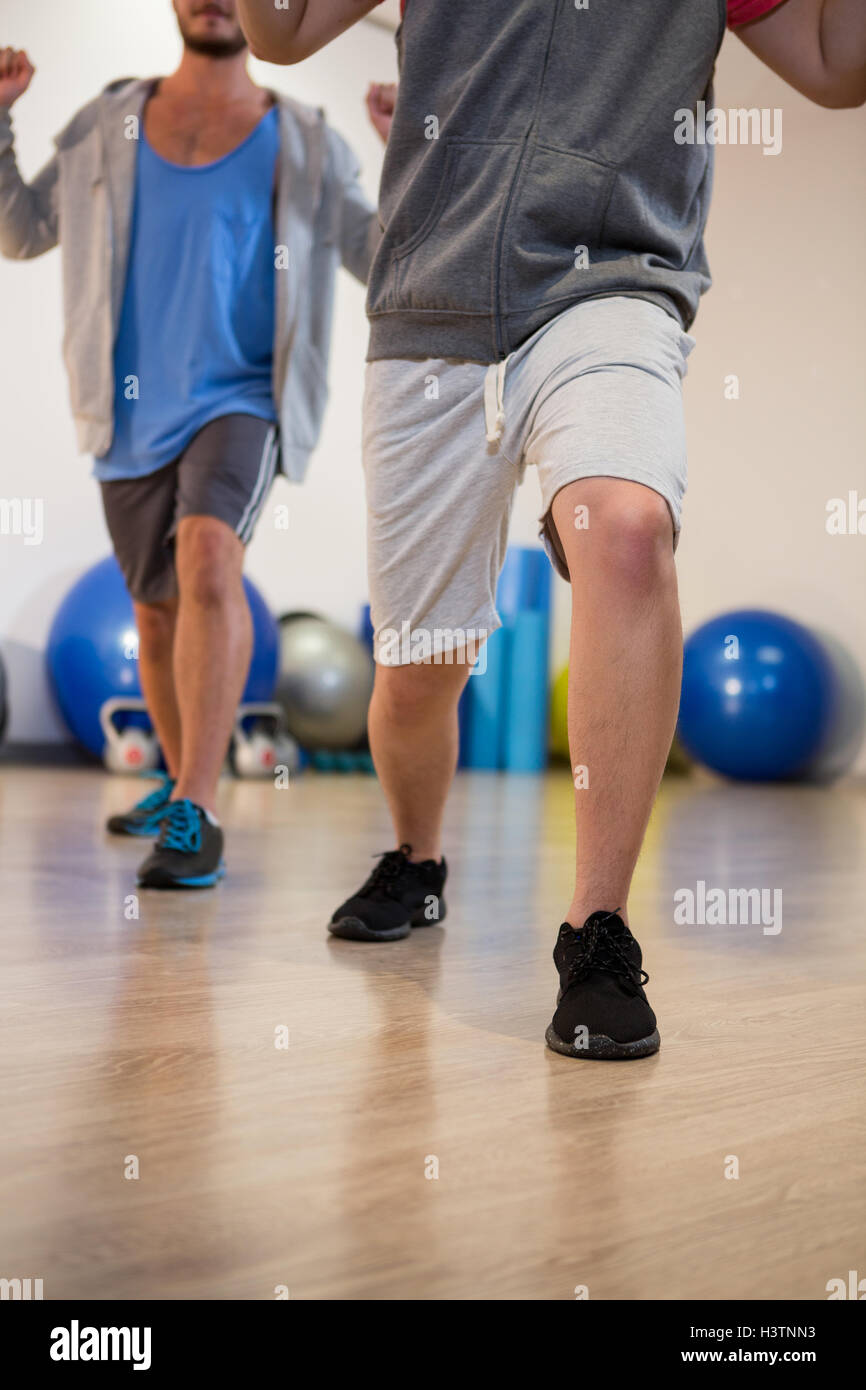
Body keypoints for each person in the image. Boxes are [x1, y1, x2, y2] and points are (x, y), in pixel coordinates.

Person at [237, 0, 864, 1059]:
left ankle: (598, 932)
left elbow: (834, 65)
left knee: (625, 530)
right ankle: (415, 859)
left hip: (612, 283)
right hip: (430, 308)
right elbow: (280, 32)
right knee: (421, 663)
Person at [0, 0, 385, 888]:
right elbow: (22, 229)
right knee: (156, 606)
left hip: (245, 398)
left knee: (209, 560)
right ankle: (178, 784)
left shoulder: (308, 142)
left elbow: (381, 255)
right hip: (125, 411)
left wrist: (415, 155)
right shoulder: (108, 123)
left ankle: (199, 811)